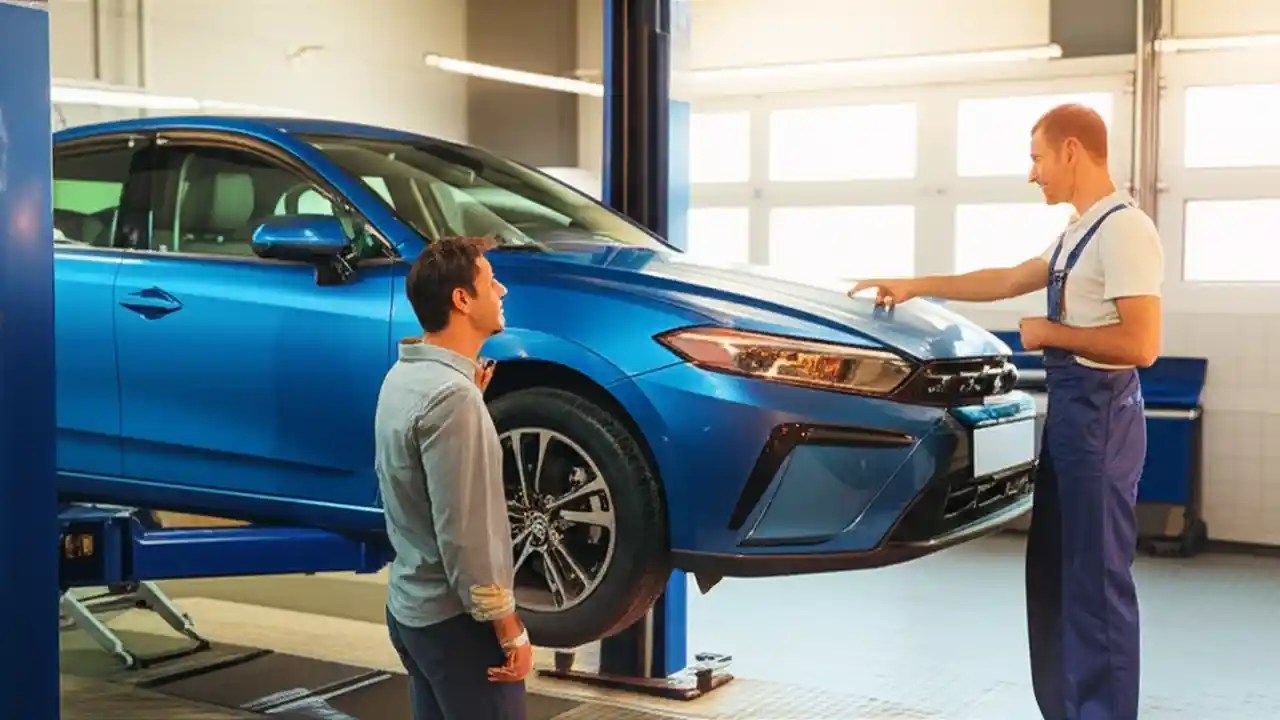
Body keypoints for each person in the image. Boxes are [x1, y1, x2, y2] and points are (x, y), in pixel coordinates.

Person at [850, 103, 1163, 720]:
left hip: (1101, 423)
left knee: (1097, 587)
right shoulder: (1082, 231)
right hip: (1074, 422)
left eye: (1037, 157)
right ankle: (1071, 708)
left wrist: (1054, 332)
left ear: (1072, 151)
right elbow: (1007, 277)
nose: (1033, 173)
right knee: (1056, 576)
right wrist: (917, 284)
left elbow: (1141, 345)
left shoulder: (1126, 229)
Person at [374, 234, 532, 720]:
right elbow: (467, 535)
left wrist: (467, 396)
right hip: (458, 627)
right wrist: (508, 627)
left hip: (411, 611)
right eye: (490, 281)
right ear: (462, 299)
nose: (502, 290)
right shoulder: (452, 400)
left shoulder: (405, 376)